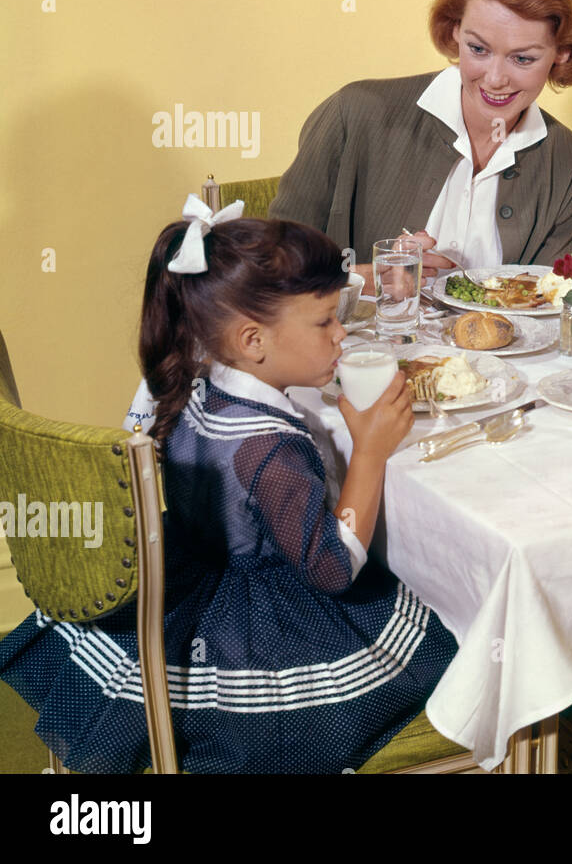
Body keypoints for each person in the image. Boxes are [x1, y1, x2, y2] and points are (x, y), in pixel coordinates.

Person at [0, 205, 457, 773]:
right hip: (260, 625)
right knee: (439, 627)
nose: (342, 334)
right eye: (324, 322)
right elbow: (333, 570)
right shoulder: (268, 451)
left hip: (188, 570)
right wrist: (369, 452)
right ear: (251, 340)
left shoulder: (189, 374)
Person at [269, 0, 572, 290]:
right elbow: (270, 270)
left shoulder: (567, 162)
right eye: (478, 49)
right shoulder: (356, 114)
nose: (495, 78)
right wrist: (367, 279)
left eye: (522, 58)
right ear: (455, 30)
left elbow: (542, 306)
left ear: (562, 52)